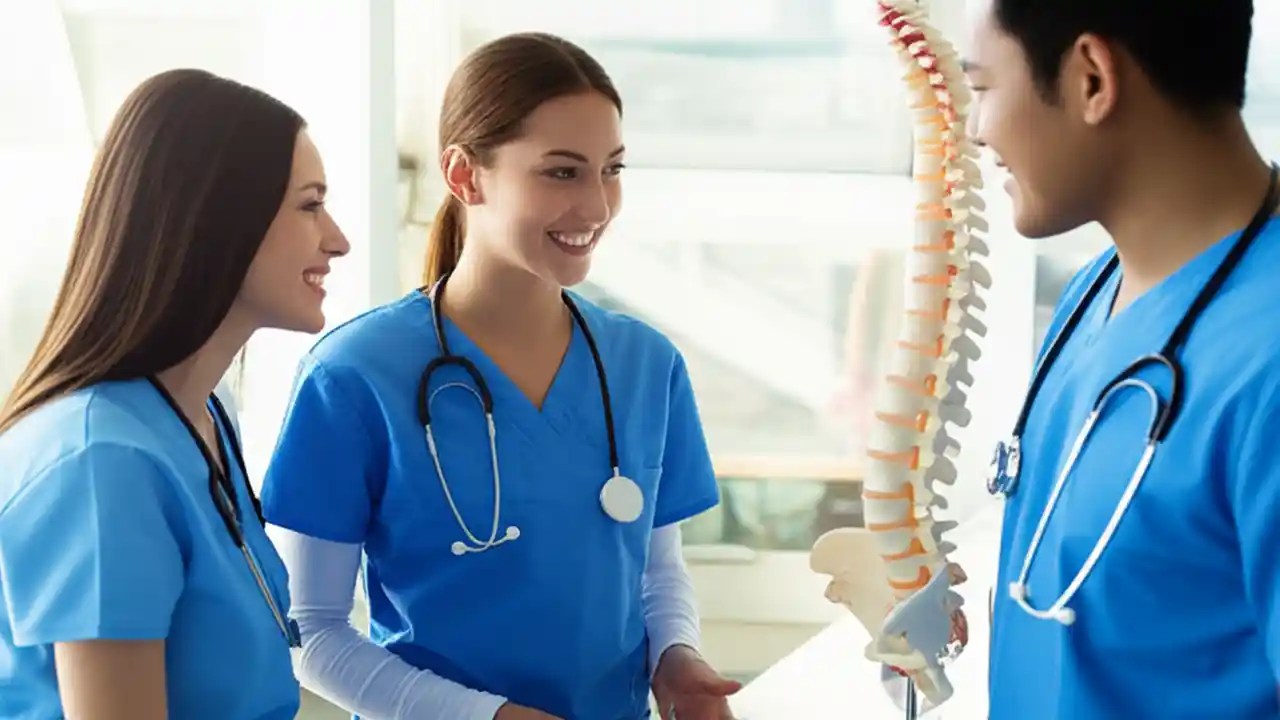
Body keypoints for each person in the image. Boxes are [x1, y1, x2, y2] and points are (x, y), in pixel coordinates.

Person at [259, 32, 740, 720]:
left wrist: (677, 660)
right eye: (562, 172)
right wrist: (486, 718)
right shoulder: (355, 376)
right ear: (464, 175)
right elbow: (313, 634)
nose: (599, 207)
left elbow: (656, 573)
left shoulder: (644, 366)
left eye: (612, 169)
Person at [0, 68, 350, 719]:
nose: (338, 239)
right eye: (309, 205)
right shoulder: (103, 463)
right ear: (217, 217)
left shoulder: (204, 419)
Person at [963, 0, 1279, 716]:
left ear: (1091, 79)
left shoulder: (1267, 362)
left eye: (981, 89)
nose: (975, 132)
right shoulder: (1092, 292)